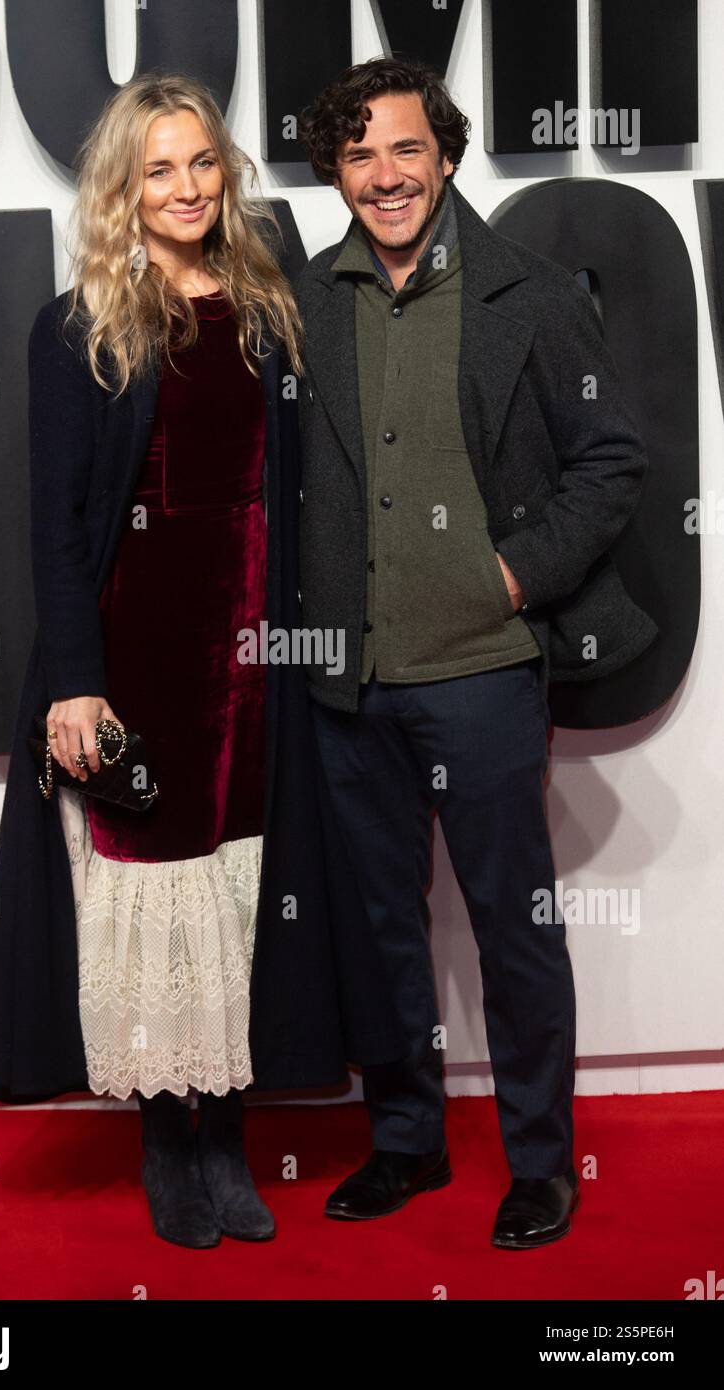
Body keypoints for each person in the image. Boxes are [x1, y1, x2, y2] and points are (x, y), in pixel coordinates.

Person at [0, 71, 348, 1251]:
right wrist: (75, 680)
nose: (185, 187)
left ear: (225, 173)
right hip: (140, 663)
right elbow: (58, 526)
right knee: (153, 895)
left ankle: (225, 1135)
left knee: (237, 902)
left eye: (202, 162)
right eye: (158, 168)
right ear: (124, 186)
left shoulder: (269, 305)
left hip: (256, 661)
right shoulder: (80, 323)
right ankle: (167, 1147)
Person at [293, 57, 658, 1249]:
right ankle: (403, 1143)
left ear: (443, 154)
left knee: (512, 926)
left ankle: (541, 1164)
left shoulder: (530, 294)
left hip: (487, 675)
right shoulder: (303, 305)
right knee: (381, 929)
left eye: (405, 148)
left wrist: (512, 574)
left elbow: (611, 459)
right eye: (359, 155)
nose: (385, 175)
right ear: (334, 172)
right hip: (353, 684)